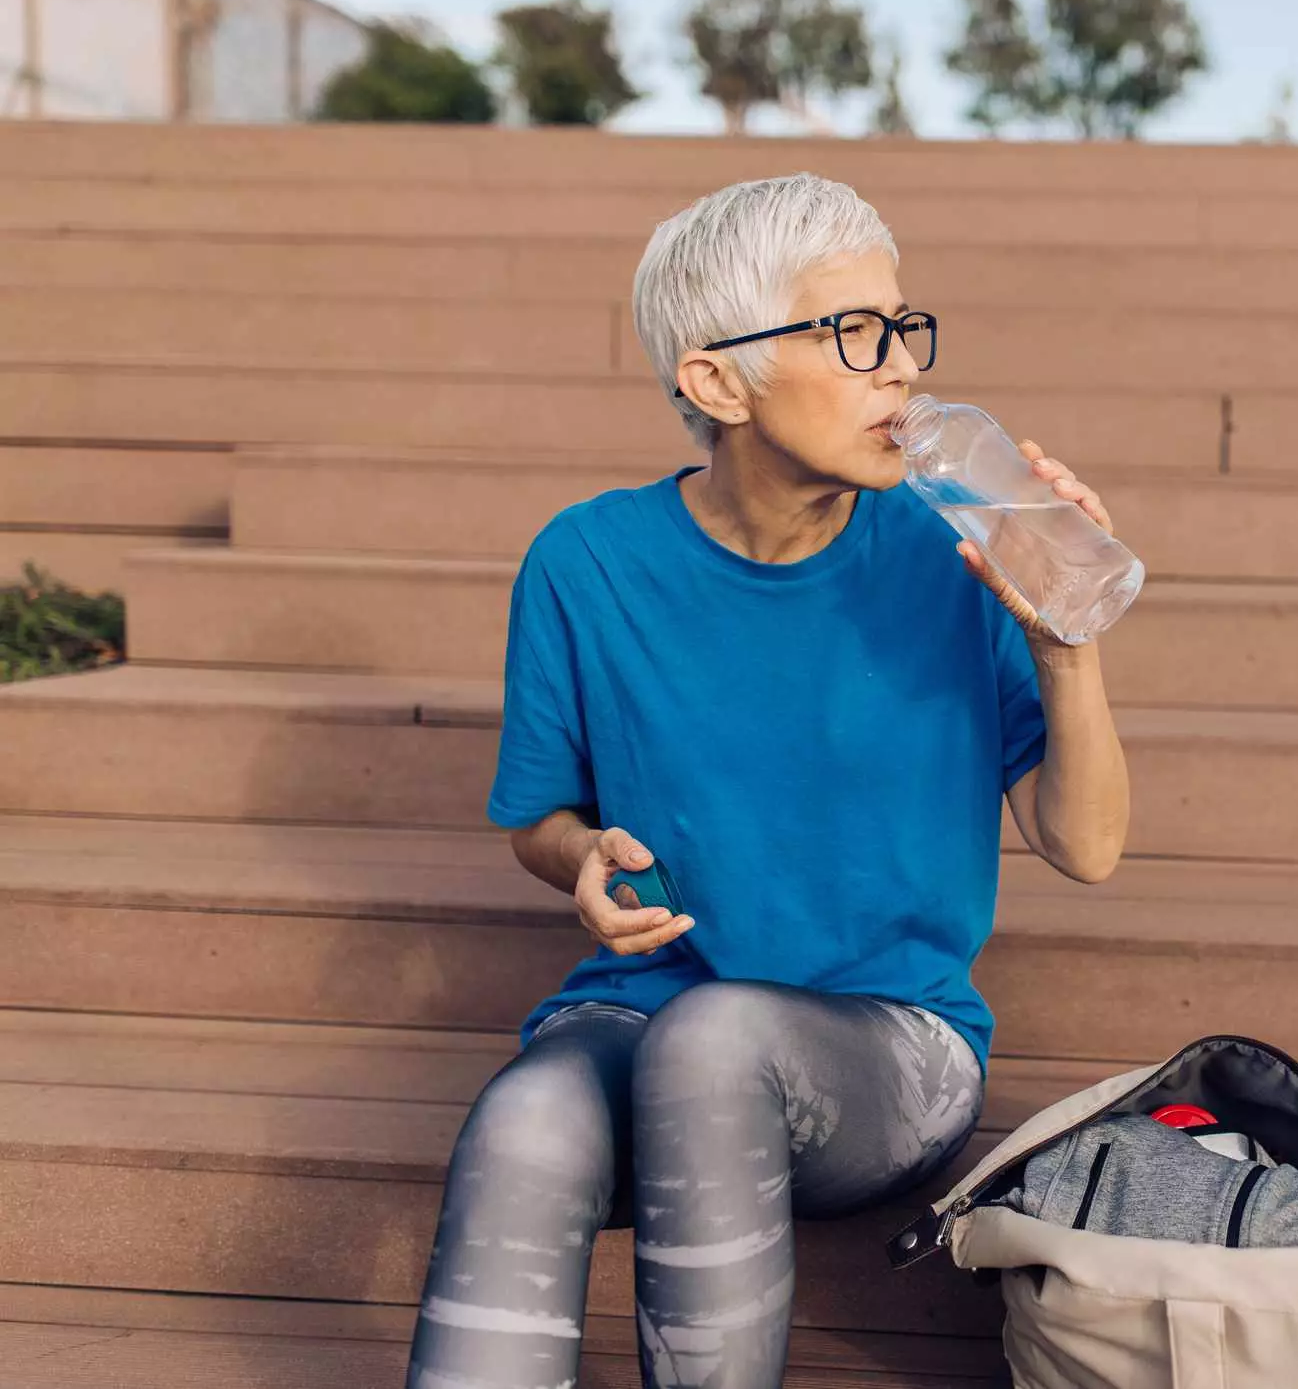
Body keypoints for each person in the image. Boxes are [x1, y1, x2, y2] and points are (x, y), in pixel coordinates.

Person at [402, 173, 1131, 1389]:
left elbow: (1088, 844)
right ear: (715, 381)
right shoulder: (587, 562)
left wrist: (1067, 646)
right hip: (643, 1012)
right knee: (526, 1118)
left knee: (717, 1035)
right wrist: (580, 858)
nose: (897, 366)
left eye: (901, 327)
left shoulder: (959, 547)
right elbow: (537, 817)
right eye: (850, 334)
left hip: (890, 1048)